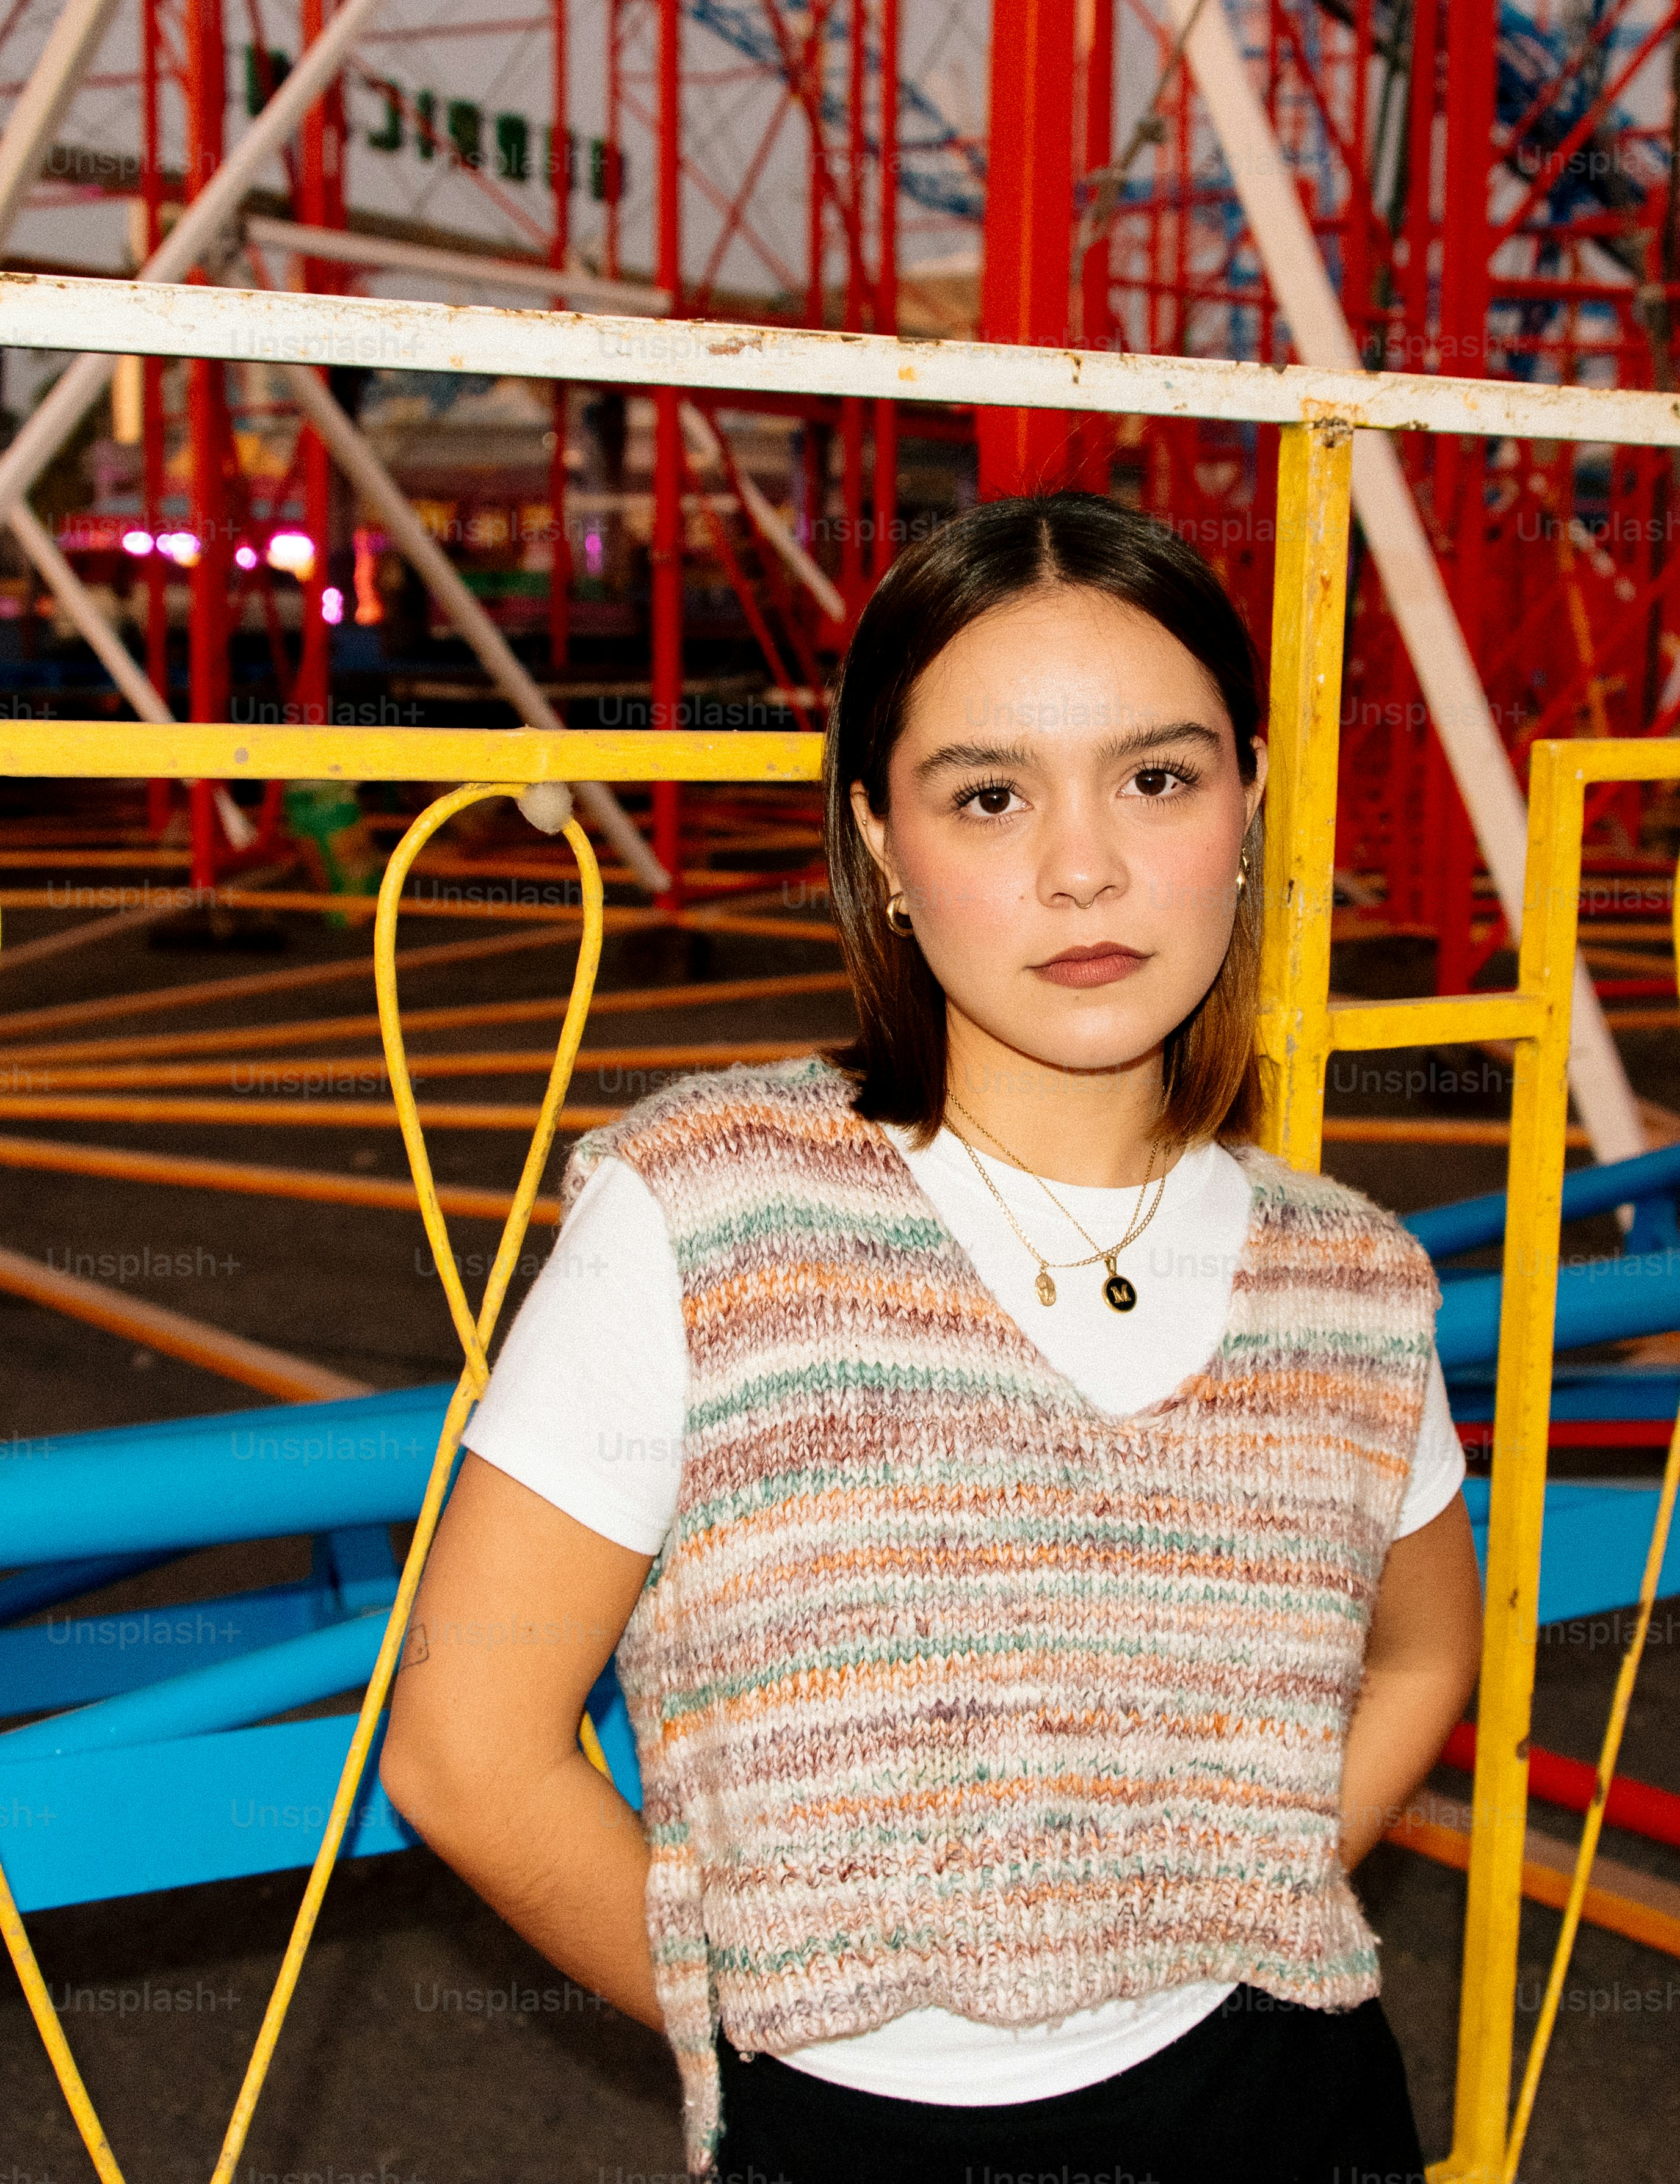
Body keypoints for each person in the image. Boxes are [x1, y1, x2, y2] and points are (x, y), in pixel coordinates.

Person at [375, 491, 1485, 2184]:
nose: (1085, 866)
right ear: (883, 846)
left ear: (1249, 802)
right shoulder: (708, 1213)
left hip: (1292, 2104)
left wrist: (1237, 1890)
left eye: (1158, 776)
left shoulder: (1352, 1279)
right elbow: (467, 1755)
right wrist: (764, 2042)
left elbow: (1425, 1656)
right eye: (988, 795)